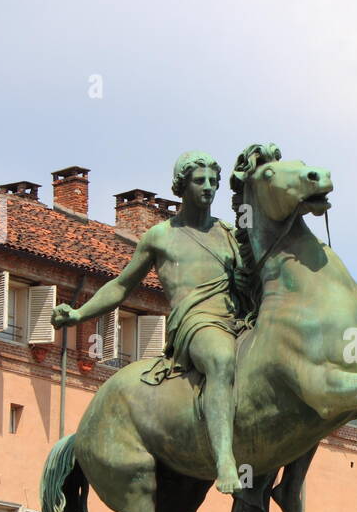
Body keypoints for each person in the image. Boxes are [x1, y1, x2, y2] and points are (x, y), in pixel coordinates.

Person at [51, 152, 252, 493]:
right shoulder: (160, 236)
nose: (208, 188)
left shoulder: (228, 234)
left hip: (236, 319)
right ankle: (224, 460)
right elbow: (121, 286)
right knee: (220, 360)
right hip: (197, 322)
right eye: (199, 181)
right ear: (182, 186)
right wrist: (79, 314)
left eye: (213, 182)